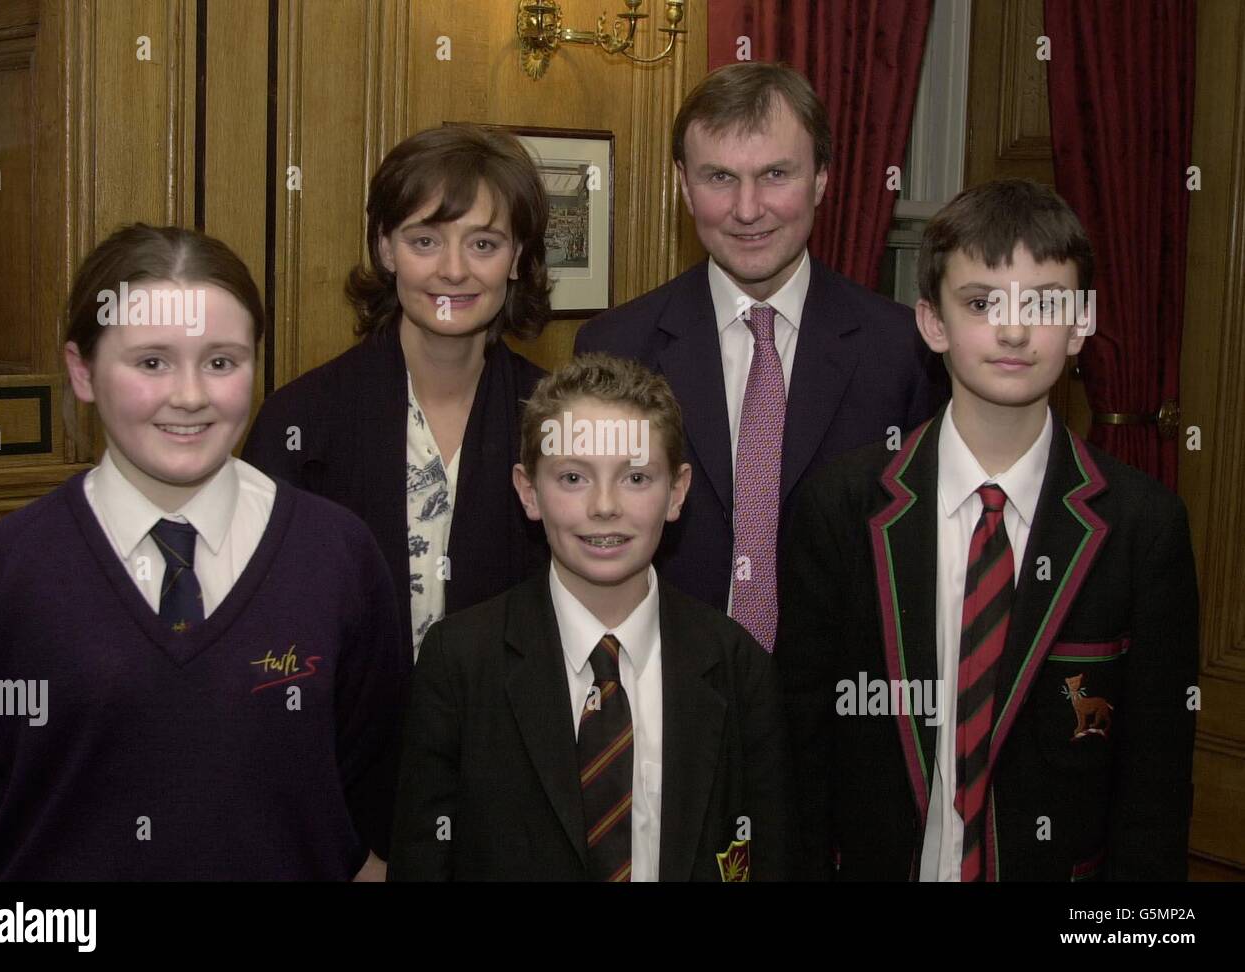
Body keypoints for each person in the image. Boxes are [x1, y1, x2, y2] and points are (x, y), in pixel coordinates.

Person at [0, 224, 405, 880]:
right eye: (152, 362)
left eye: (221, 362)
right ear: (82, 371)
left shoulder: (337, 557)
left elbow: (374, 794)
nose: (189, 396)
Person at [776, 179, 1199, 880]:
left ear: (1081, 325)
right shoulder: (840, 508)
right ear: (932, 322)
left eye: (1044, 304)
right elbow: (802, 748)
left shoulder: (1143, 526)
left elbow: (1154, 787)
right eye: (981, 303)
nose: (1013, 330)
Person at [575, 61, 943, 652]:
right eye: (719, 177)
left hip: (840, 690)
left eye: (775, 174)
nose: (747, 209)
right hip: (666, 684)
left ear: (820, 179)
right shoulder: (615, 346)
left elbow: (921, 557)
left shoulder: (904, 351)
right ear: (683, 184)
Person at [389, 354, 789, 881]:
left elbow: (773, 856)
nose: (604, 506)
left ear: (676, 492)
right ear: (529, 491)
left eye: (636, 478)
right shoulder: (459, 662)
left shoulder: (738, 666)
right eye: (574, 477)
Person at [242, 124, 551, 663]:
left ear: (518, 256)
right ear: (386, 248)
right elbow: (263, 621)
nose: (453, 270)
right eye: (424, 241)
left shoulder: (555, 420)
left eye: (483, 244)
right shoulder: (300, 421)